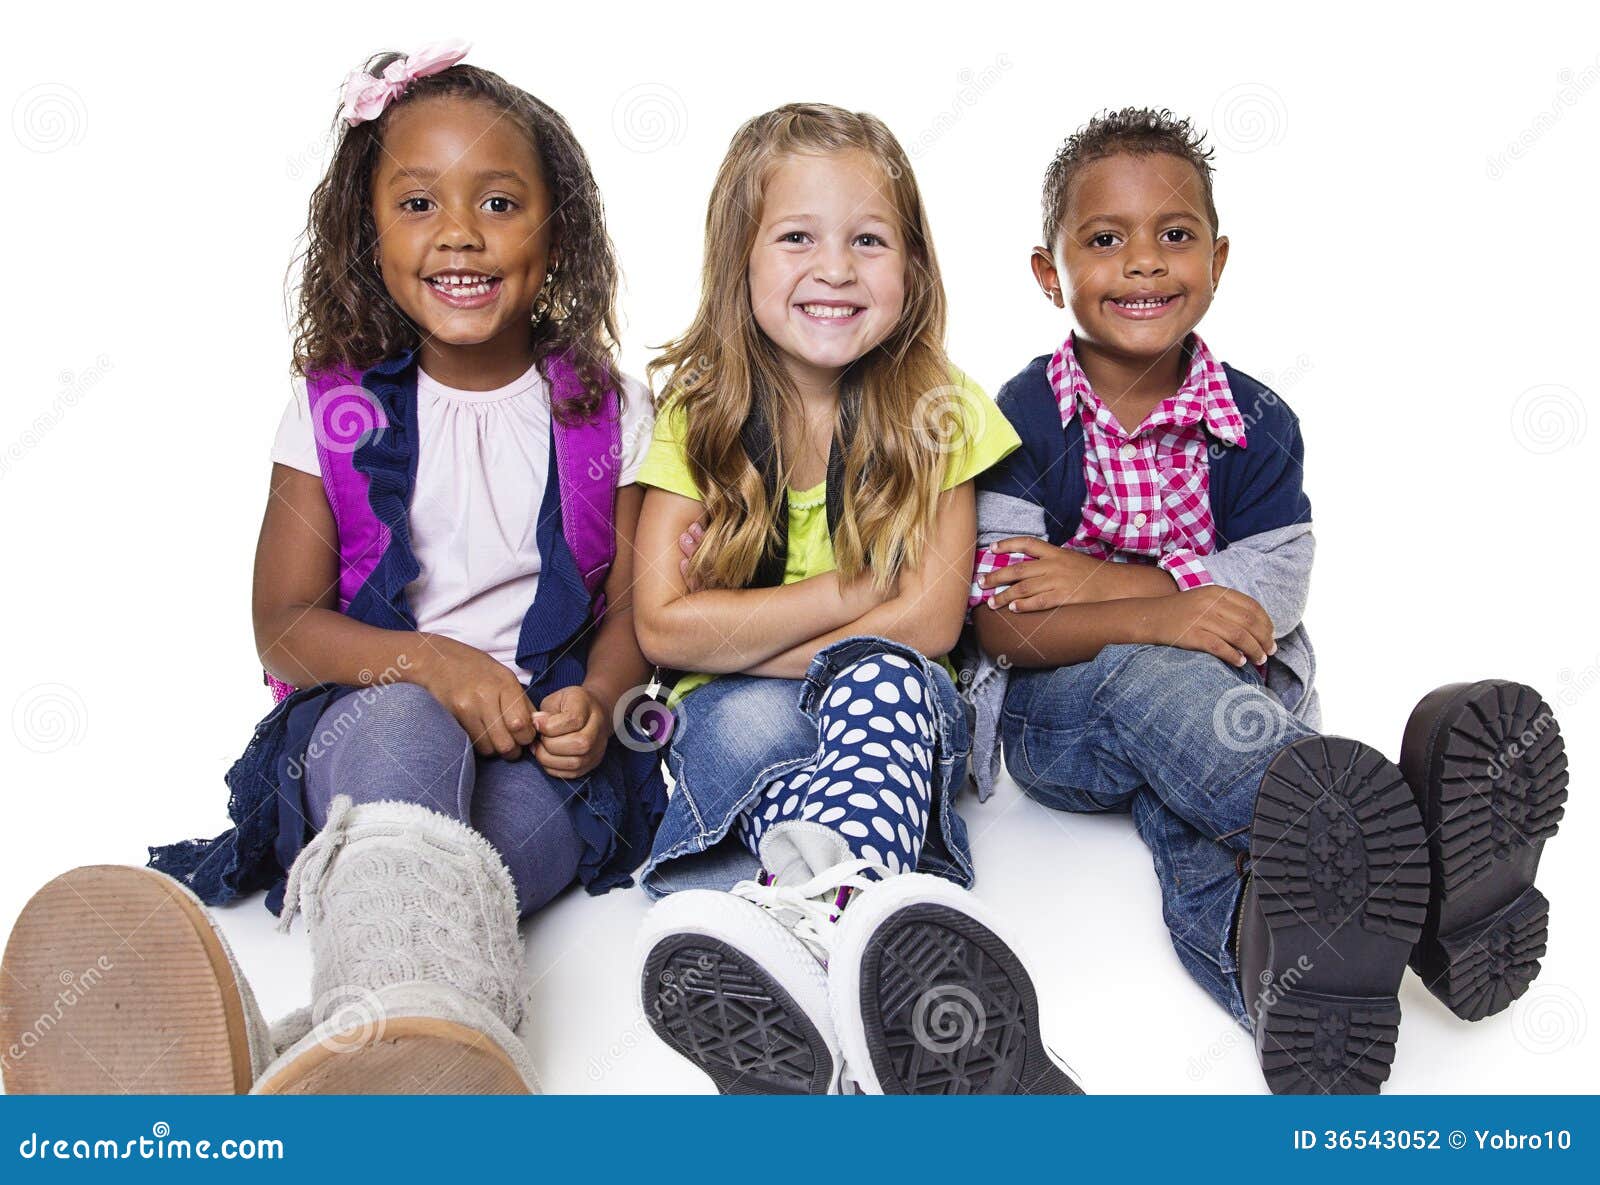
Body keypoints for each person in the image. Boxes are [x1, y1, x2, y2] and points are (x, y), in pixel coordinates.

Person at [0, 42, 665, 1095]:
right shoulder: (333, 408)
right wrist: (435, 666)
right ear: (367, 232)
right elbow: (284, 623)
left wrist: (600, 693)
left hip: (543, 746)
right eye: (416, 204)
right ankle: (418, 1065)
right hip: (371, 716)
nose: (458, 232)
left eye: (499, 202)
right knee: (408, 740)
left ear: (560, 228)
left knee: (505, 845)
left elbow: (636, 605)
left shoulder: (610, 410)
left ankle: (296, 1053)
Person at [966, 107, 1569, 1093]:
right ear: (1049, 272)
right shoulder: (1023, 417)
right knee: (1137, 677)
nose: (1145, 264)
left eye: (1175, 234)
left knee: (1194, 823)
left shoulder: (1253, 418)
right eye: (1105, 239)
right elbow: (1003, 615)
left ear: (1219, 256)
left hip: (1235, 698)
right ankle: (1411, 854)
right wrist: (1158, 615)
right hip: (1060, 713)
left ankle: (1286, 979)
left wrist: (1107, 581)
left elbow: (1274, 586)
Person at [628, 103, 1082, 1095]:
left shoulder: (942, 407)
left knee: (882, 679)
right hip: (737, 722)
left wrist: (741, 627)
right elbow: (659, 628)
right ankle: (883, 983)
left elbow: (928, 625)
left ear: (912, 269)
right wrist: (850, 588)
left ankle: (818, 948)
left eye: (868, 241)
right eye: (797, 237)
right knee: (756, 736)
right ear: (736, 261)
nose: (835, 268)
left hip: (890, 707)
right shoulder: (698, 414)